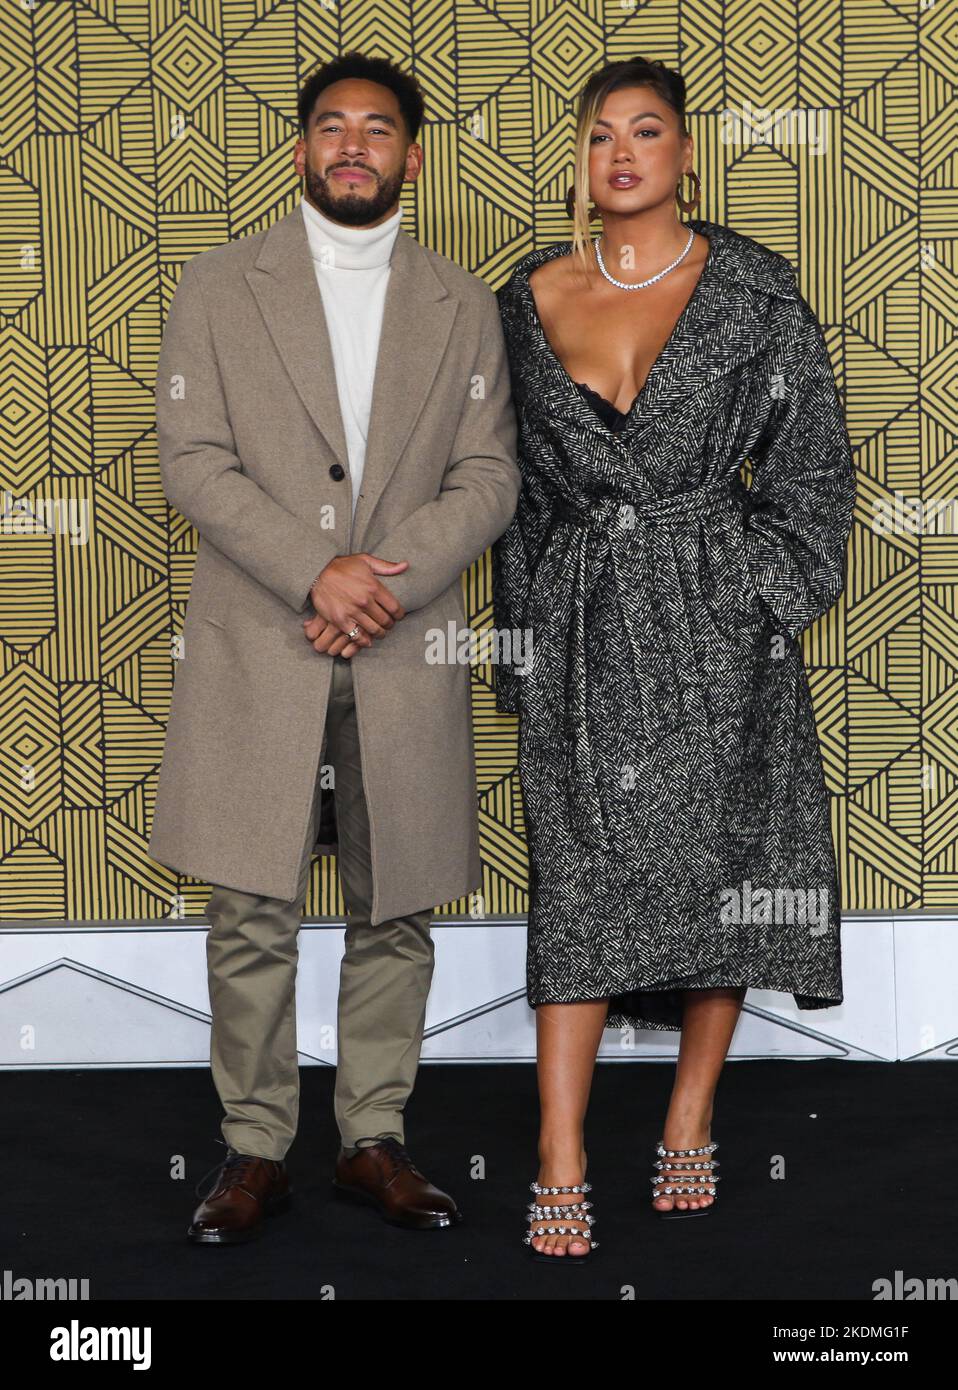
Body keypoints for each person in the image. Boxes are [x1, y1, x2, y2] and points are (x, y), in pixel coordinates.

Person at [148, 51, 520, 1244]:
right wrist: (319, 572)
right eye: (329, 126)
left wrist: (376, 582)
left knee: (396, 898)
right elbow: (192, 458)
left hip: (403, 643)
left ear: (412, 154)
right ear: (302, 148)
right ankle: (253, 1149)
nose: (352, 144)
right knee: (249, 903)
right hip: (266, 632)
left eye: (377, 128)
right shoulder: (216, 287)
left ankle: (373, 1137)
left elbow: (489, 474)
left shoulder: (461, 302)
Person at [492, 55, 856, 1260]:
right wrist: (525, 636)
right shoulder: (527, 297)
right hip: (586, 625)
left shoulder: (753, 291)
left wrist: (762, 591)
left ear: (687, 152)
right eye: (600, 135)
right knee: (581, 882)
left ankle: (690, 1114)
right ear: (582, 159)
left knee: (721, 859)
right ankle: (558, 1147)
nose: (622, 153)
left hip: (716, 625)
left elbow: (810, 468)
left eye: (646, 131)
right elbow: (515, 501)